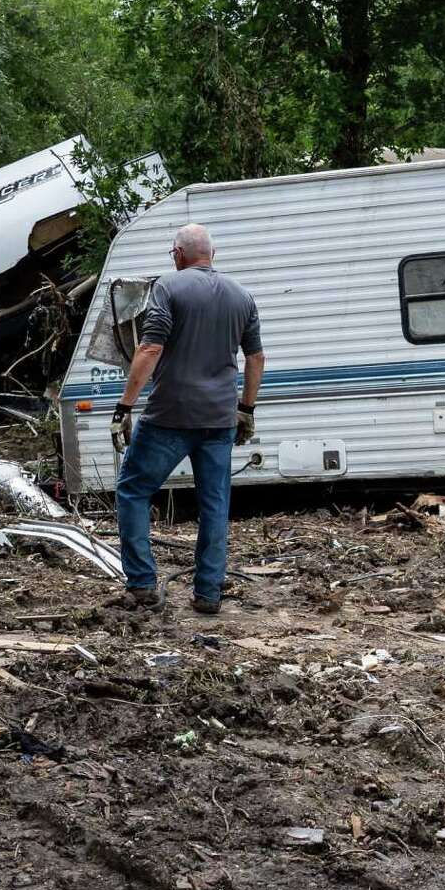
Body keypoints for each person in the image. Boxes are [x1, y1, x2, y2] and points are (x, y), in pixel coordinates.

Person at [110, 223, 263, 614]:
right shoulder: (241, 295)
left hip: (170, 415)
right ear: (212, 254)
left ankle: (142, 584)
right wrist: (246, 409)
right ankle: (208, 593)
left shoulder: (168, 287)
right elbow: (255, 357)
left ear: (178, 254)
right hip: (220, 418)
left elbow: (150, 349)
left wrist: (124, 407)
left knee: (133, 490)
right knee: (215, 504)